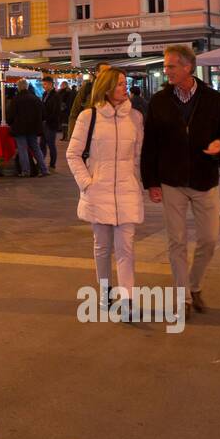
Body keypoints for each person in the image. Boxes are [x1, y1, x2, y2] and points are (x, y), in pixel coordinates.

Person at [140, 45, 220, 316]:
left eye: (171, 66)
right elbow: (150, 144)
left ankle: (194, 285)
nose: (166, 71)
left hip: (204, 179)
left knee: (209, 239)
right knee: (177, 241)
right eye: (166, 65)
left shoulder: (213, 99)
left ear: (187, 67)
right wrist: (151, 181)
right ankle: (182, 296)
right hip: (171, 180)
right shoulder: (159, 101)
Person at [68, 68, 144, 315]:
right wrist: (87, 182)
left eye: (125, 82)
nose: (125, 87)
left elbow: (137, 156)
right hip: (98, 190)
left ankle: (127, 299)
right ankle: (105, 292)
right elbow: (73, 154)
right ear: (107, 87)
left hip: (126, 190)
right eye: (120, 83)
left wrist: (137, 182)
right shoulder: (88, 117)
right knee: (102, 246)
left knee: (126, 247)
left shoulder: (135, 117)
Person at [9, 79, 49, 177]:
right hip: (33, 128)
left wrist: (11, 123)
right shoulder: (35, 98)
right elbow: (43, 114)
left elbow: (11, 116)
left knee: (22, 149)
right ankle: (44, 169)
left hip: (19, 129)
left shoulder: (16, 99)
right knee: (36, 148)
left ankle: (26, 171)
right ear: (27, 87)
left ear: (18, 88)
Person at [67, 63, 111, 142]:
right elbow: (74, 114)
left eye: (109, 72)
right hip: (88, 134)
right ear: (97, 73)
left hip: (107, 135)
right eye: (104, 72)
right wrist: (73, 137)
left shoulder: (113, 90)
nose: (107, 75)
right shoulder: (87, 89)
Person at [40, 74, 61, 170]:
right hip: (44, 123)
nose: (43, 86)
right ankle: (42, 161)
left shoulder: (55, 95)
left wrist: (47, 119)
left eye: (44, 84)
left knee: (51, 144)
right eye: (43, 84)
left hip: (51, 123)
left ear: (50, 84)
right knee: (42, 143)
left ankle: (52, 163)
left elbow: (55, 111)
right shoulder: (44, 94)